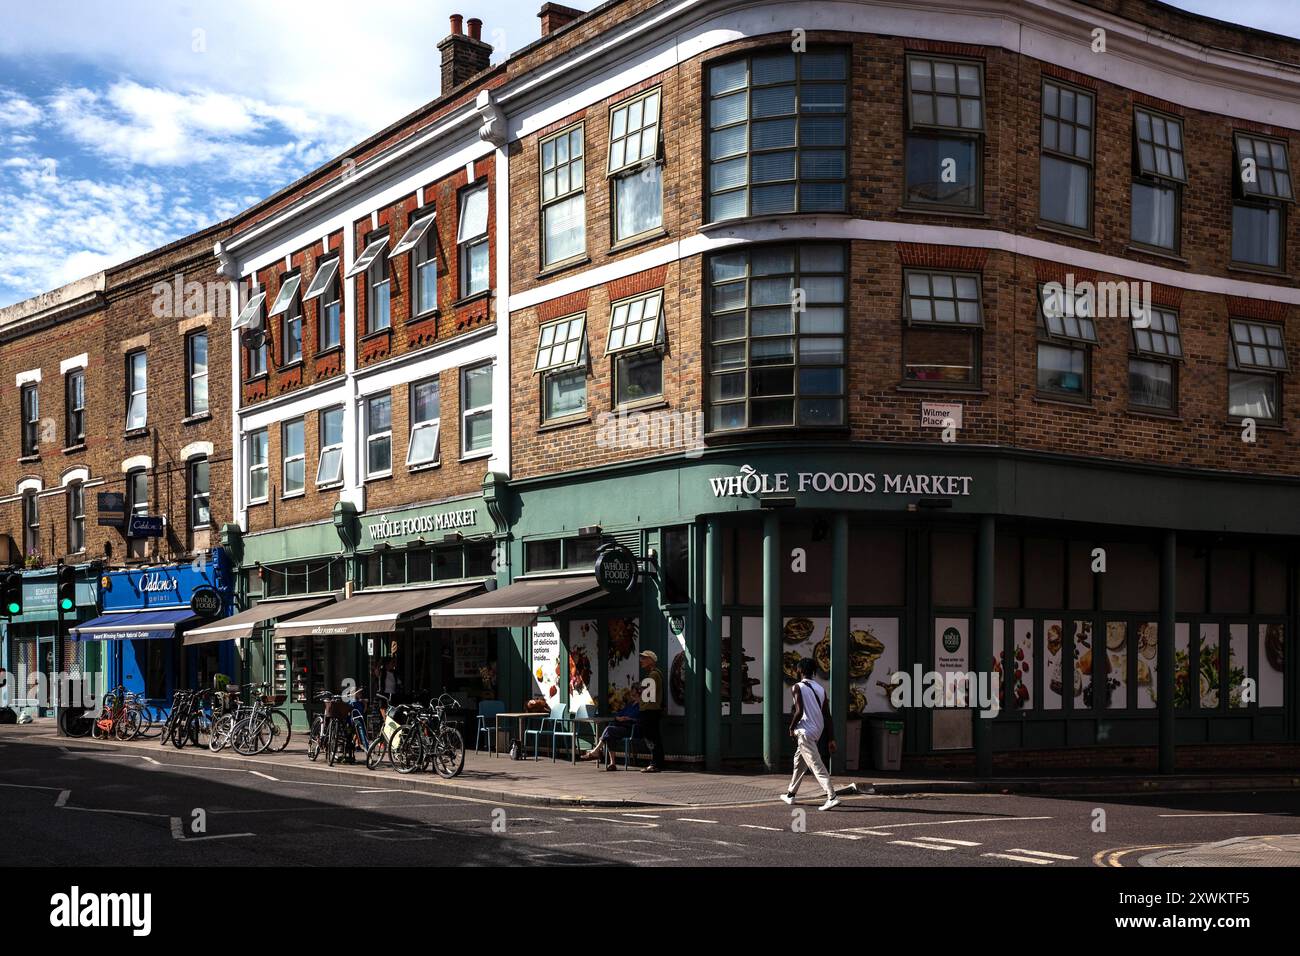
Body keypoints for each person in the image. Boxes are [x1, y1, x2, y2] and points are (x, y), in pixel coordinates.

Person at [780, 658, 840, 810]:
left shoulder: (797, 687)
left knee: (816, 765)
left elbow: (799, 711)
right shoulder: (820, 689)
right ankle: (790, 795)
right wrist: (831, 738)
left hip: (805, 732)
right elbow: (827, 715)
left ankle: (832, 796)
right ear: (814, 672)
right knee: (799, 762)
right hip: (817, 731)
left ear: (799, 671)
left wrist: (791, 727)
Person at [579, 698, 639, 770]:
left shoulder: (641, 706)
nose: (632, 695)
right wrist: (618, 718)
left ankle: (596, 751)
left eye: (634, 693)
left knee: (609, 730)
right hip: (621, 726)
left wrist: (629, 719)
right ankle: (612, 764)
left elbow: (639, 719)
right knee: (610, 735)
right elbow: (619, 714)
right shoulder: (629, 705)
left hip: (630, 729)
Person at [637, 650, 665, 772]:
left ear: (651, 661)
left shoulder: (653, 675)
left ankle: (655, 763)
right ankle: (658, 762)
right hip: (652, 710)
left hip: (649, 711)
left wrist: (640, 691)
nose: (641, 661)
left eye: (644, 658)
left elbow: (647, 696)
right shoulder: (655, 674)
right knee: (654, 736)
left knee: (651, 737)